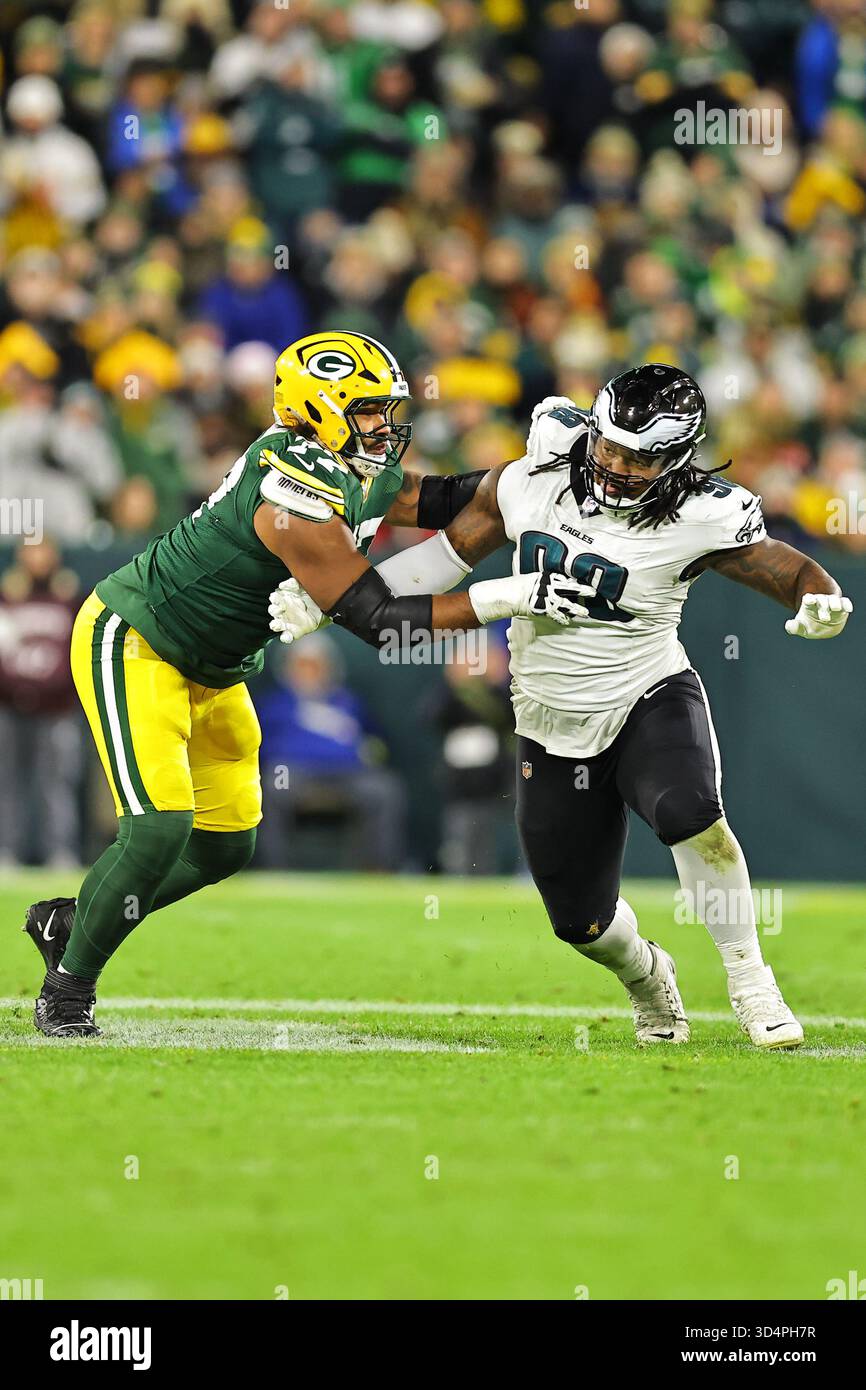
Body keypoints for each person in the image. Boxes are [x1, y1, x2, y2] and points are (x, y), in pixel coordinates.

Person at [269, 364, 854, 1050]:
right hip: (546, 718)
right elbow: (445, 559)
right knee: (580, 921)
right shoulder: (535, 478)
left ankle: (752, 982)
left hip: (646, 691)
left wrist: (819, 593)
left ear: (675, 461)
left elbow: (777, 564)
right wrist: (336, 597)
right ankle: (648, 978)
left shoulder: (703, 513)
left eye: (638, 458)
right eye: (608, 446)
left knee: (691, 815)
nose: (615, 465)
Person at [22, 330, 577, 1037]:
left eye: (386, 408)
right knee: (159, 828)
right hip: (138, 640)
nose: (384, 424)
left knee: (226, 844)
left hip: (216, 668)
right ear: (317, 411)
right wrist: (513, 594)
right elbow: (382, 621)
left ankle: (74, 922)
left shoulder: (345, 460)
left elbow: (440, 498)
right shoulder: (296, 491)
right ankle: (69, 987)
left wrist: (535, 478)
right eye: (369, 410)